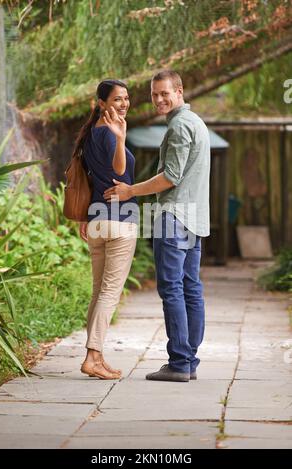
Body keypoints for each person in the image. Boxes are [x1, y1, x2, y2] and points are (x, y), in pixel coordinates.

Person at [104, 70, 210, 382]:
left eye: (165, 93)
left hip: (174, 217)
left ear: (180, 91)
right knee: (190, 287)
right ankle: (188, 361)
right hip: (194, 219)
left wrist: (129, 190)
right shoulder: (197, 123)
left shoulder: (179, 127)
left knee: (172, 288)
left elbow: (170, 177)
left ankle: (179, 362)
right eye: (154, 94)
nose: (159, 99)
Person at [74, 79, 139, 380]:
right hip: (119, 221)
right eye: (117, 99)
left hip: (97, 222)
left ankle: (96, 357)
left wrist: (83, 216)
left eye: (126, 99)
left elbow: (87, 179)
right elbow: (120, 173)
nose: (124, 104)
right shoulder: (111, 134)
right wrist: (121, 139)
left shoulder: (89, 135)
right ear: (102, 103)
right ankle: (93, 356)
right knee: (110, 294)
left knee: (99, 292)